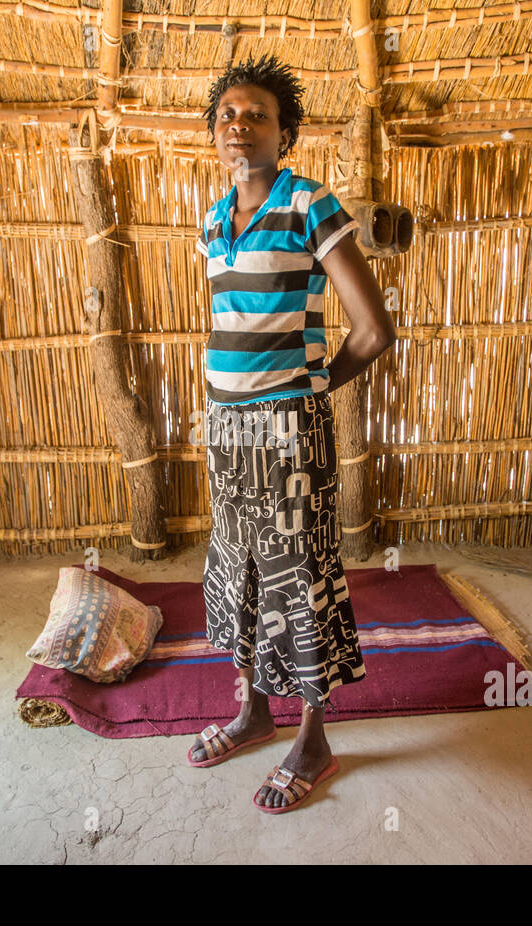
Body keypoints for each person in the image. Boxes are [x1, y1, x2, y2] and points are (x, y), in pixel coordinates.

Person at [189, 54, 396, 812]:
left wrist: (306, 390)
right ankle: (252, 712)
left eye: (257, 115)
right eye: (226, 115)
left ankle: (314, 738)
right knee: (239, 566)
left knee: (300, 577)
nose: (238, 125)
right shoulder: (212, 221)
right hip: (225, 430)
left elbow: (373, 330)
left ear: (286, 134)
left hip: (287, 432)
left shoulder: (309, 203)